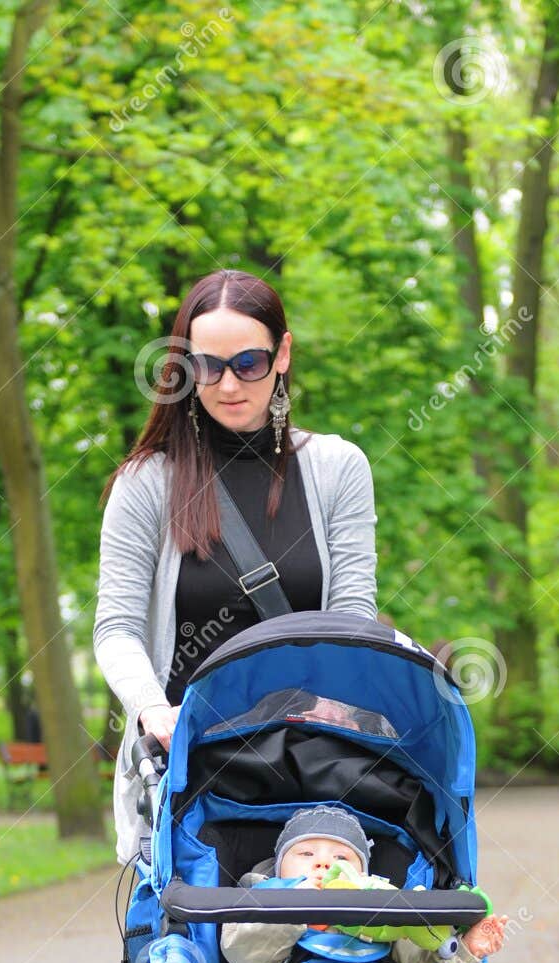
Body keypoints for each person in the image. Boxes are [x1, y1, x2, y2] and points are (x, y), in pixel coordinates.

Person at [93, 269, 379, 864]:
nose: (227, 384)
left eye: (248, 363)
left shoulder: (338, 468)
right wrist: (152, 709)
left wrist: (337, 702)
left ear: (283, 354)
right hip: (189, 768)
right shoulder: (146, 483)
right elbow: (116, 628)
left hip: (312, 765)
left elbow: (353, 613)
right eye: (207, 366)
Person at [220, 806, 507, 963]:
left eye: (341, 858)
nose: (323, 863)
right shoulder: (265, 901)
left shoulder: (381, 909)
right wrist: (296, 908)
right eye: (306, 853)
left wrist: (468, 949)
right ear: (279, 868)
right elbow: (246, 955)